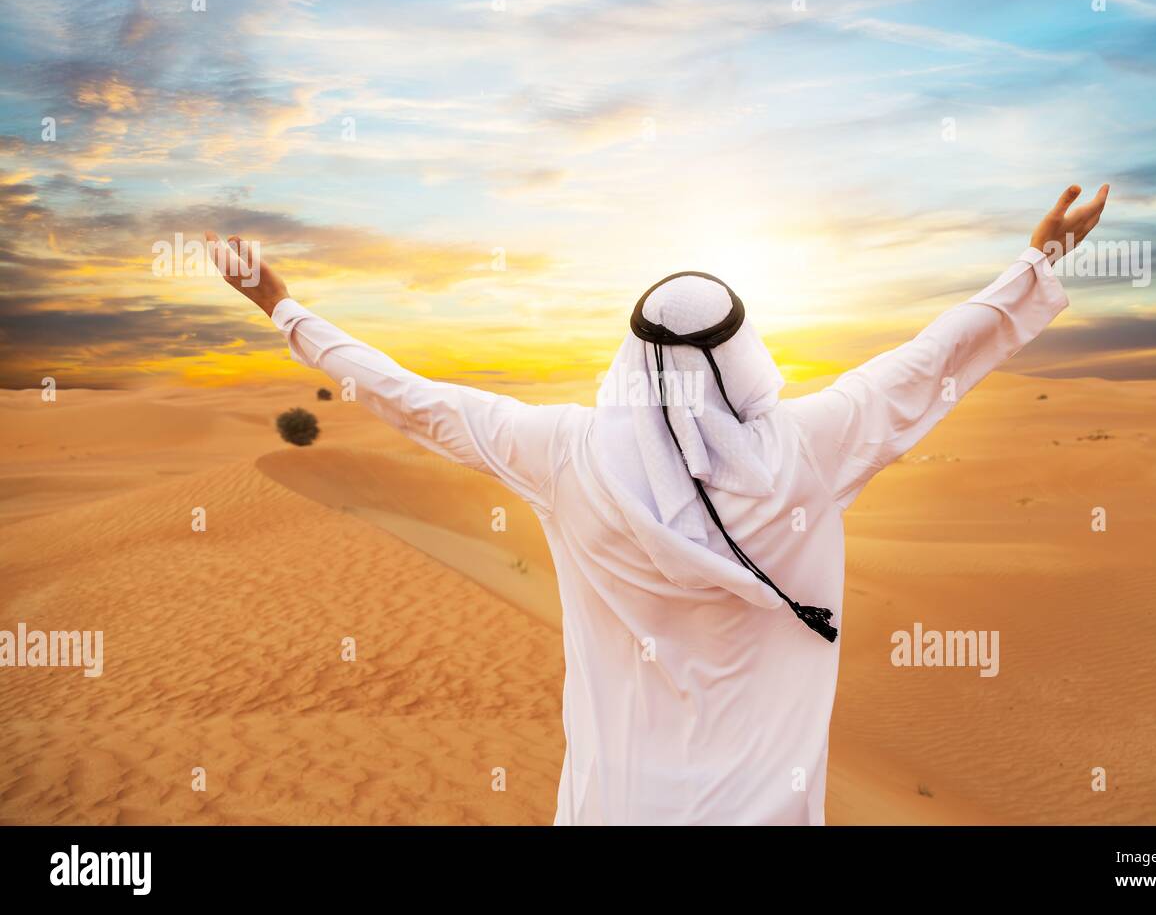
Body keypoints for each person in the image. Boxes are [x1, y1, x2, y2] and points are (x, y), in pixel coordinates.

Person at [204, 183, 1109, 825]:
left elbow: (411, 398)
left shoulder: (563, 453)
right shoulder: (810, 448)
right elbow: (932, 360)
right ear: (745, 350)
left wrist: (281, 306)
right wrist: (1035, 263)